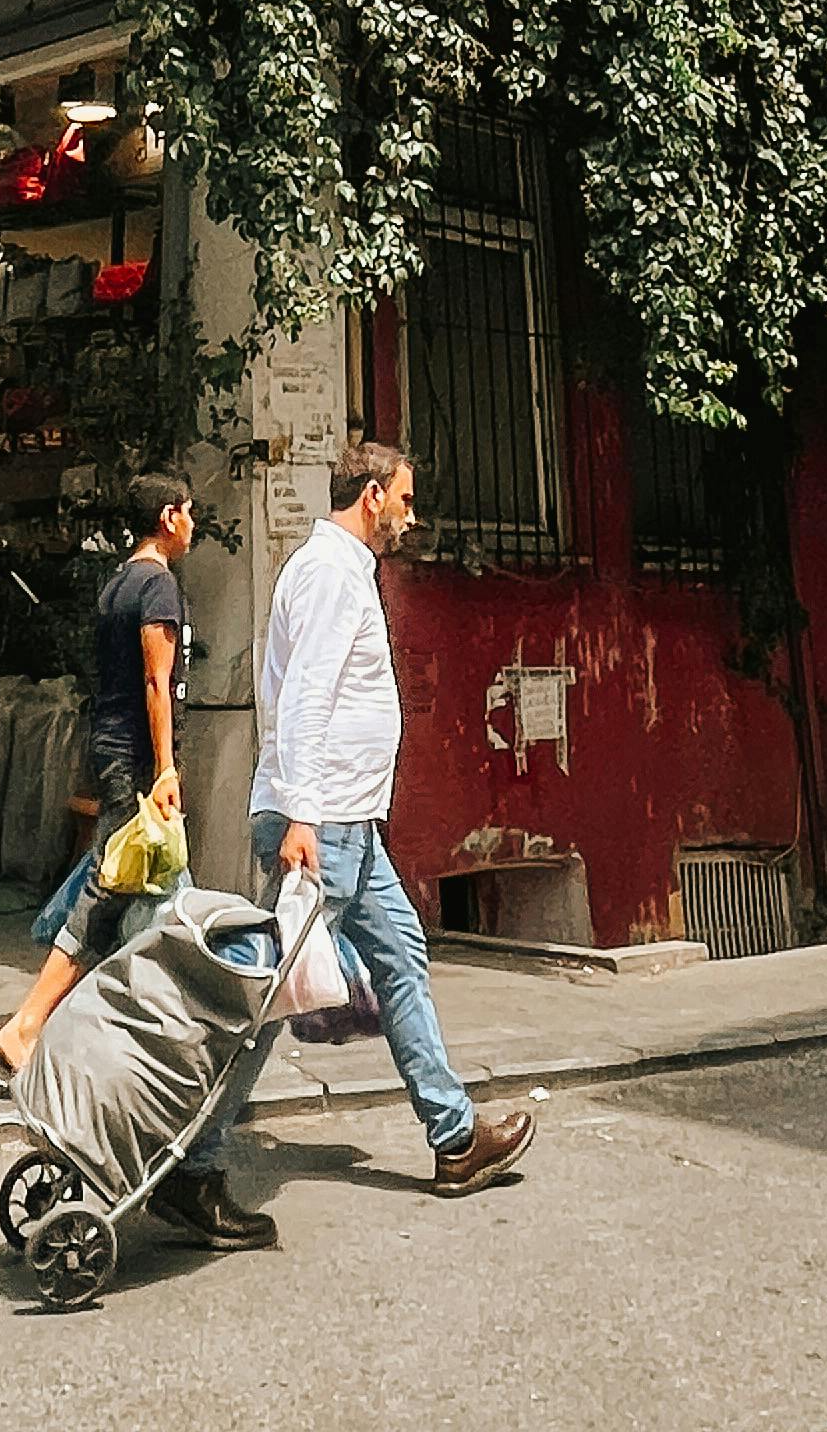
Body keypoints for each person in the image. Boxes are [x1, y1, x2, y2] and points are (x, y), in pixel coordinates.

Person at [239, 437, 531, 1201]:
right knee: (275, 995)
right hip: (322, 821)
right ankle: (192, 1158)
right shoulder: (332, 575)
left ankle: (456, 1137)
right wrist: (302, 812)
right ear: (371, 497)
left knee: (399, 956)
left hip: (348, 824)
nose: (410, 514)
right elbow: (304, 696)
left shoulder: (338, 571)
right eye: (404, 498)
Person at [0, 477, 196, 1070]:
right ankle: (28, 1025)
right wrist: (166, 768)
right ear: (168, 516)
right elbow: (157, 682)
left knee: (124, 876)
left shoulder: (118, 585)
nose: (193, 523)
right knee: (115, 885)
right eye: (188, 512)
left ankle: (112, 1026)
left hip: (111, 745)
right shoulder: (157, 585)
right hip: (134, 755)